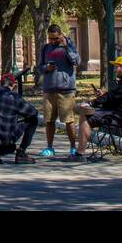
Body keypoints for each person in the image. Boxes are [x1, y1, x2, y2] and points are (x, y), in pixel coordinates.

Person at [75, 56, 122, 153]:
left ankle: (80, 153)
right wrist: (103, 95)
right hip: (119, 113)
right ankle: (80, 150)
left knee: (85, 117)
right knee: (85, 115)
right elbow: (116, 96)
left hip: (121, 117)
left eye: (116, 67)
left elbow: (112, 96)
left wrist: (92, 103)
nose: (115, 70)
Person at [37, 23, 80, 158]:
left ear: (61, 35)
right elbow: (39, 67)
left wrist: (66, 46)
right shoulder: (46, 48)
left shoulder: (69, 45)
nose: (53, 41)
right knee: (49, 120)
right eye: (50, 39)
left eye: (55, 38)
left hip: (66, 89)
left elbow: (76, 61)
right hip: (49, 89)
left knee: (69, 120)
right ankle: (49, 147)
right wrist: (46, 68)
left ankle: (73, 148)